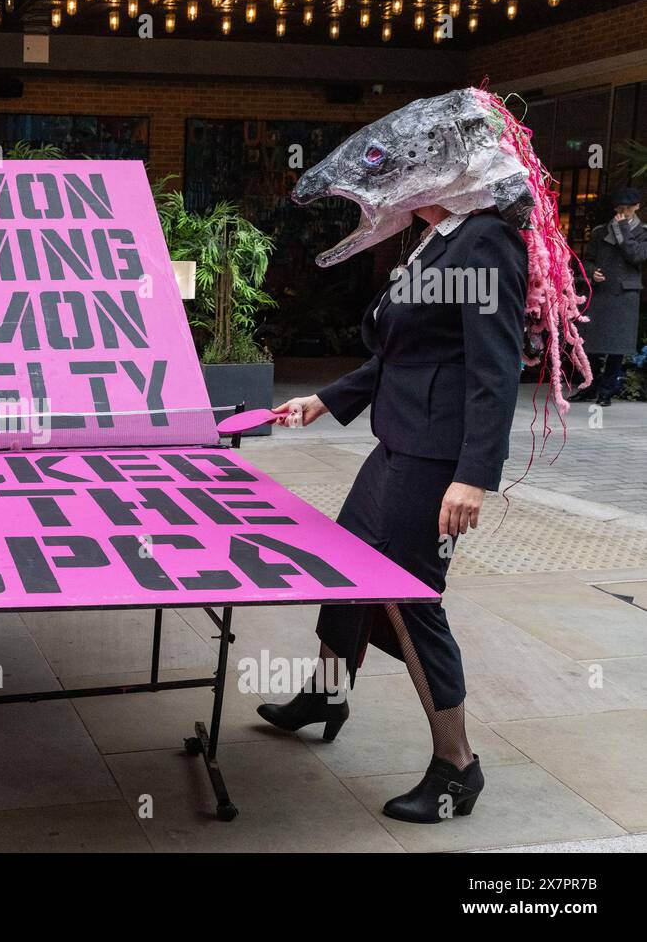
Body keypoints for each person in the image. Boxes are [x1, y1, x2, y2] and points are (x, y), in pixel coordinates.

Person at [270, 87, 590, 824]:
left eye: (410, 168)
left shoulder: (484, 243)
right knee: (346, 568)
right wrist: (326, 400)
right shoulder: (441, 240)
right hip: (399, 443)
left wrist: (475, 477)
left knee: (412, 600)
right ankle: (328, 693)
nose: (396, 184)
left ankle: (457, 766)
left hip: (436, 457)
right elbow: (402, 353)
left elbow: (492, 369)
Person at [576, 186, 646, 406]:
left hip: (625, 295)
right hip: (602, 292)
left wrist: (623, 228)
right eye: (619, 208)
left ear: (637, 207)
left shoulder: (643, 232)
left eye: (627, 208)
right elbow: (587, 259)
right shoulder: (600, 231)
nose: (622, 212)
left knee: (616, 347)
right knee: (593, 344)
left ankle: (607, 391)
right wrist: (590, 272)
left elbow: (635, 256)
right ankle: (589, 386)